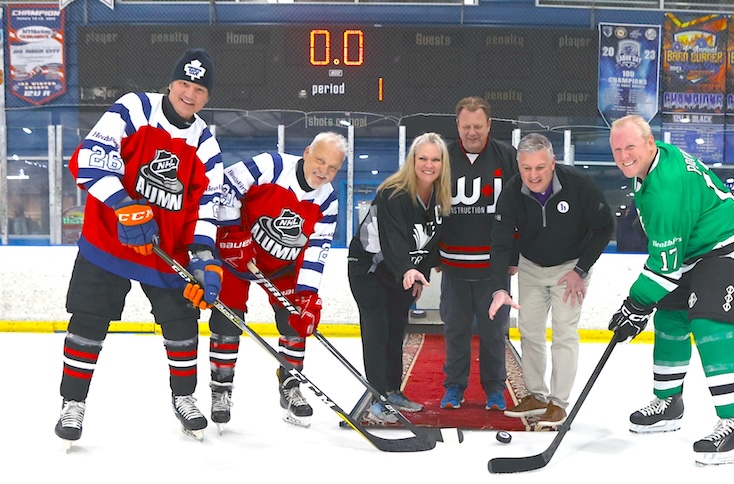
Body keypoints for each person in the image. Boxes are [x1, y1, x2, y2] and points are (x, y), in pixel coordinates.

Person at [55, 48, 223, 446]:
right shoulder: (134, 108)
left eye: (199, 88)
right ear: (171, 83)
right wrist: (123, 206)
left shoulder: (205, 143)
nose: (190, 93)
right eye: (184, 83)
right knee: (89, 319)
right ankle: (72, 403)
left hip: (165, 251)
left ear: (207, 97)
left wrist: (204, 257)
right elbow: (90, 159)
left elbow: (207, 206)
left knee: (182, 324)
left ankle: (184, 397)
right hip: (107, 240)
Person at [608, 114, 734, 466]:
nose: (623, 155)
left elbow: (664, 267)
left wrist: (634, 305)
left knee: (710, 324)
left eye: (630, 147)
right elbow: (669, 259)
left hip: (728, 248)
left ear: (649, 143)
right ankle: (668, 403)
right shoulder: (651, 164)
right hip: (694, 252)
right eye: (617, 149)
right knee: (671, 320)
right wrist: (643, 306)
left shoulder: (666, 187)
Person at [209, 131, 347, 429]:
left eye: (333, 167)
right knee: (227, 320)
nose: (323, 171)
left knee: (296, 318)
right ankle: (221, 389)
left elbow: (315, 251)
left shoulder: (328, 200)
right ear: (307, 151)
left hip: (283, 266)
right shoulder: (270, 166)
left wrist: (308, 296)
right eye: (320, 160)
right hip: (237, 256)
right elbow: (227, 186)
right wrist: (232, 233)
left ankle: (290, 386)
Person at [488, 133, 613, 428]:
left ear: (553, 162)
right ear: (519, 165)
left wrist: (580, 269)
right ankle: (536, 395)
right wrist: (498, 287)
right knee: (529, 331)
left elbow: (605, 227)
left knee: (564, 333)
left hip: (570, 268)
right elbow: (501, 241)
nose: (533, 175)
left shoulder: (578, 185)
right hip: (531, 268)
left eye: (540, 168)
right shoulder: (511, 192)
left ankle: (558, 403)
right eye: (526, 168)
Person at [348, 132, 451, 423]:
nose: (429, 165)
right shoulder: (394, 193)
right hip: (369, 270)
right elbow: (392, 239)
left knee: (396, 333)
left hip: (404, 273)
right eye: (423, 158)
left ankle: (392, 392)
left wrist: (419, 275)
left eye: (435, 159)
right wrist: (408, 269)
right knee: (377, 332)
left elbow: (431, 241)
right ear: (412, 161)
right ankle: (378, 398)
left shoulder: (439, 197)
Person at [439, 97, 518, 411]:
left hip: (494, 270)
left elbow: (520, 210)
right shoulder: (442, 156)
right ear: (457, 125)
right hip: (454, 267)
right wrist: (433, 257)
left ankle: (494, 391)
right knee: (455, 330)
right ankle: (454, 388)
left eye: (478, 126)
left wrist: (513, 257)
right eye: (466, 126)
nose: (472, 132)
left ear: (489, 125)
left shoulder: (508, 157)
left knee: (494, 333)